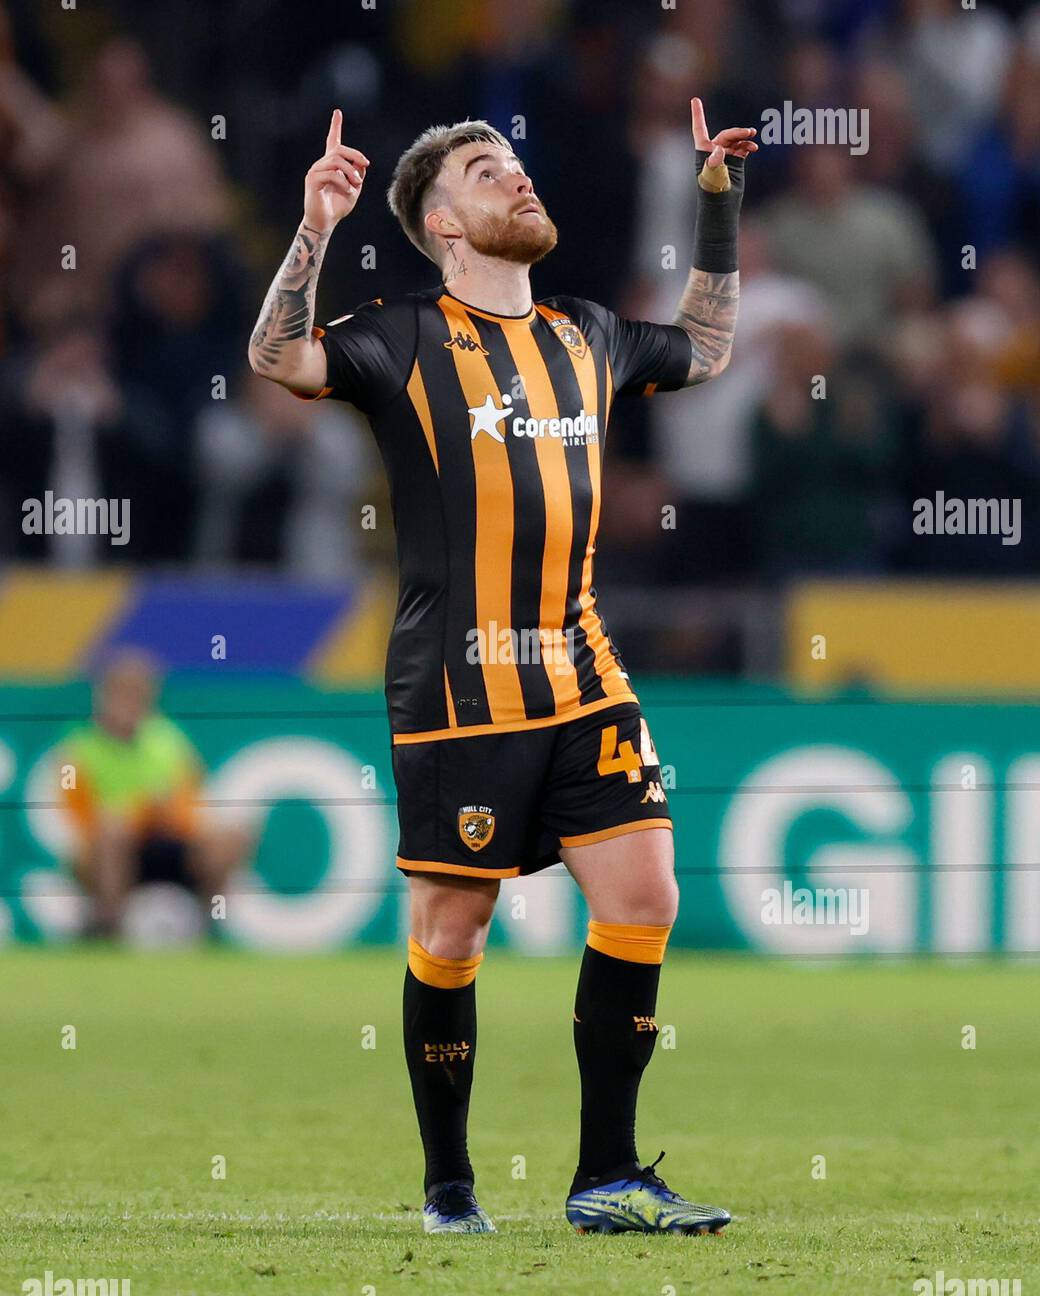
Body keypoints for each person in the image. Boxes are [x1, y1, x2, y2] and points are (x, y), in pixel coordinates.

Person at [249, 100, 756, 1235]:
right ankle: (447, 1188)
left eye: (518, 166)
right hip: (456, 683)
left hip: (583, 673)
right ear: (442, 221)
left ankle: (607, 1177)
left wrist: (714, 202)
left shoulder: (584, 332)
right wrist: (314, 227)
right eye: (489, 173)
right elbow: (281, 355)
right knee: (451, 932)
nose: (517, 181)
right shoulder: (400, 337)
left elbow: (708, 344)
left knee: (644, 898)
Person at [60, 650, 249, 939]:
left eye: (138, 692)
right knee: (113, 830)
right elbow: (79, 822)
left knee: (234, 834)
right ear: (103, 696)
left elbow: (192, 809)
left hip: (168, 842)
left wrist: (165, 814)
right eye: (121, 692)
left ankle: (207, 926)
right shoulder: (80, 750)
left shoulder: (169, 742)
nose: (129, 702)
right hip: (109, 852)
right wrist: (137, 812)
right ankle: (110, 928)